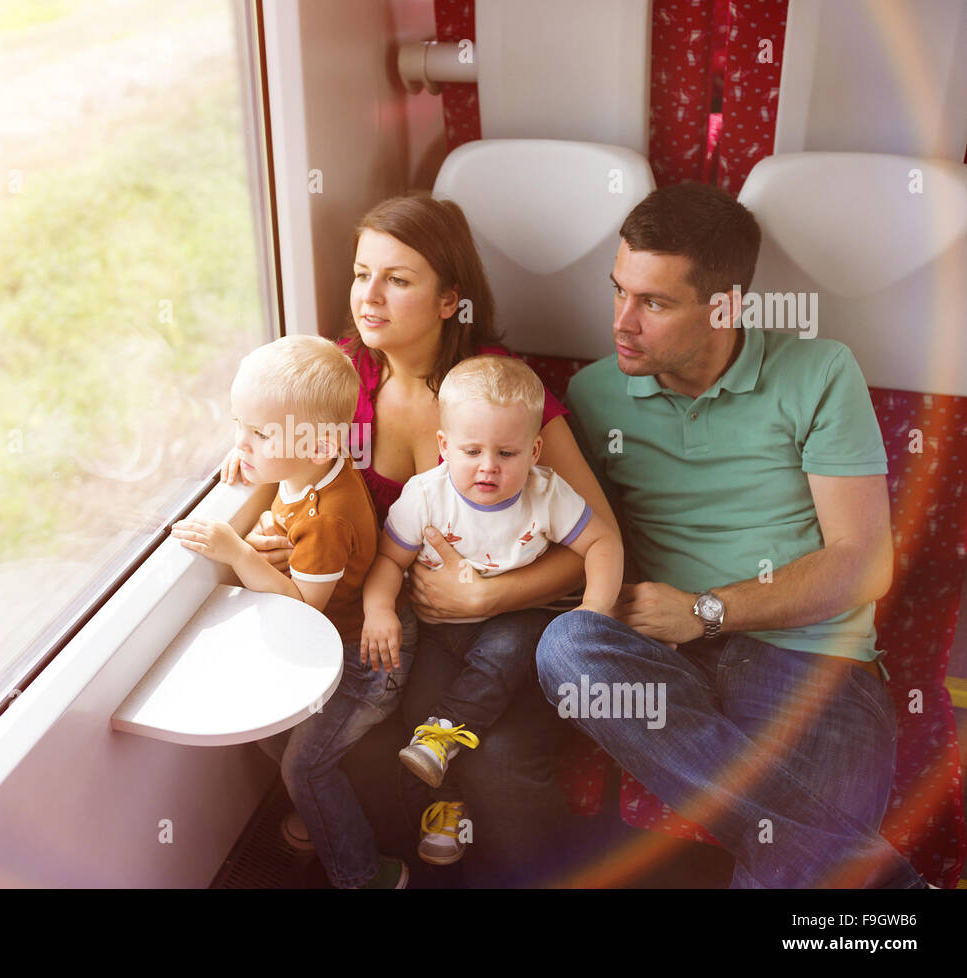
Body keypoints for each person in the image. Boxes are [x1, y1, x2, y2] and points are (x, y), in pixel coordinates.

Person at [536, 181, 927, 888]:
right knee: (567, 648)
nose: (623, 321)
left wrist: (704, 611)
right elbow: (564, 535)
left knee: (789, 881)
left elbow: (863, 563)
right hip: (664, 655)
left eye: (654, 303)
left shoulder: (818, 372)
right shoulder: (594, 397)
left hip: (812, 661)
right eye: (619, 291)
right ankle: (888, 884)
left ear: (725, 307)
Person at [223, 194, 617, 885]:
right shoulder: (345, 378)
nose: (368, 297)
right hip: (396, 613)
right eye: (360, 274)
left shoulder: (497, 396)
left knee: (484, 754)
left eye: (398, 279)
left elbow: (600, 537)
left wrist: (486, 597)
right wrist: (256, 511)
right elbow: (277, 459)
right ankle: (391, 844)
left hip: (508, 614)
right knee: (343, 728)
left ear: (449, 300)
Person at [361, 354, 623, 865]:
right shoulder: (425, 496)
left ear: (535, 451)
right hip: (442, 631)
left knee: (504, 652)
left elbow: (603, 543)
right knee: (416, 708)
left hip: (515, 618)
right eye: (472, 450)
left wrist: (592, 613)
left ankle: (449, 732)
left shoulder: (545, 494)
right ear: (443, 447)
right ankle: (446, 805)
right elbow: (390, 561)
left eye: (507, 452)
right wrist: (378, 609)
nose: (488, 466)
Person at [174, 334, 413, 888]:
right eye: (241, 426)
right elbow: (276, 457)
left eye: (257, 434)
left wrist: (235, 551)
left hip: (364, 663)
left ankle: (367, 874)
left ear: (315, 443)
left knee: (302, 765)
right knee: (259, 720)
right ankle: (324, 809)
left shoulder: (328, 517)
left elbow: (307, 608)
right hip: (329, 643)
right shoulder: (309, 462)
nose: (243, 442)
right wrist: (250, 452)